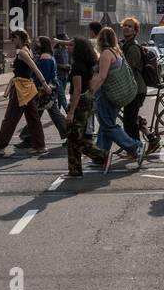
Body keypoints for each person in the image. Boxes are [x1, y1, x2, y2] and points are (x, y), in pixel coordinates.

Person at [0, 30, 50, 157]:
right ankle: (40, 146)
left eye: (13, 39)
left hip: (21, 88)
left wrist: (44, 84)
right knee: (33, 119)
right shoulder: (28, 50)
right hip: (28, 88)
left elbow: (34, 68)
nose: (12, 42)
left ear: (18, 38)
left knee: (10, 118)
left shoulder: (22, 52)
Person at [91, 26, 146, 171]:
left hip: (107, 95)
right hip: (117, 95)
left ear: (100, 40)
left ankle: (136, 147)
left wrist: (90, 92)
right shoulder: (117, 51)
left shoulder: (105, 54)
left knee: (108, 126)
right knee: (105, 126)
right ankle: (101, 156)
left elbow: (102, 76)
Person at [63, 37, 108, 177]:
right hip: (87, 100)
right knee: (74, 137)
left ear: (78, 49)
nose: (68, 47)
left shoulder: (77, 66)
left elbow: (76, 90)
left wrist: (70, 112)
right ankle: (75, 170)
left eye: (71, 45)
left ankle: (101, 155)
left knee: (75, 137)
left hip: (80, 102)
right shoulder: (89, 64)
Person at [119, 18, 150, 141]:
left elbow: (127, 70)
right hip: (132, 88)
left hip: (136, 89)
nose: (126, 28)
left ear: (135, 31)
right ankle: (150, 137)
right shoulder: (125, 45)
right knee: (131, 118)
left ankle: (136, 148)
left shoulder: (133, 48)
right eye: (125, 25)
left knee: (130, 122)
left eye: (130, 26)